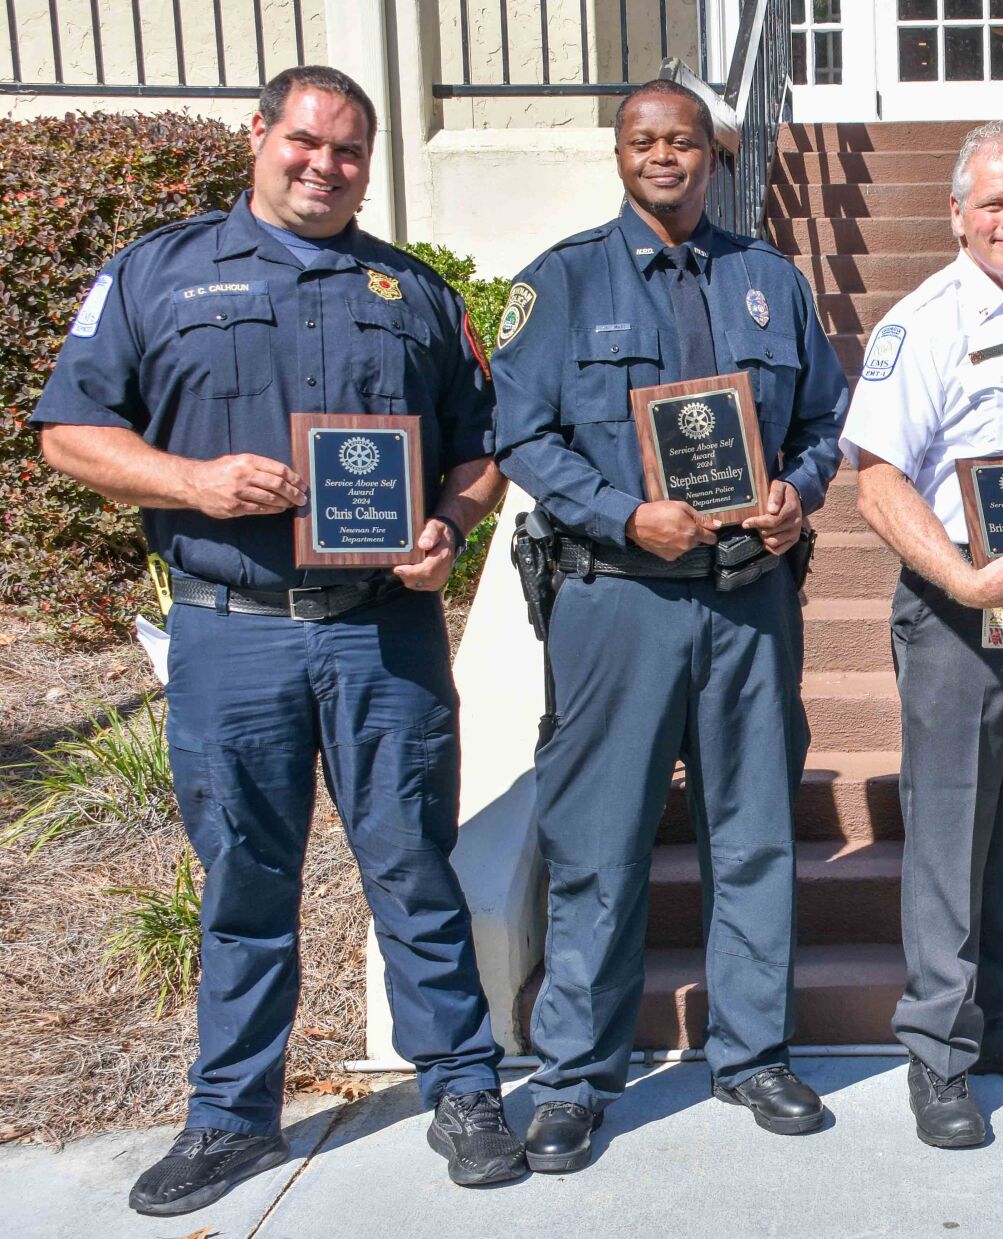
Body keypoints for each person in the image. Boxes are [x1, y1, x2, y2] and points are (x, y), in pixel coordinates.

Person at [32, 66, 522, 1215]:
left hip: (383, 638)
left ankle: (461, 1086)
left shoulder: (412, 292)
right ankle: (232, 1117)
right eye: (305, 141)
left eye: (348, 150)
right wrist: (191, 482)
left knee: (414, 867)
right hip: (233, 636)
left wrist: (451, 526)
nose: (325, 166)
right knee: (245, 881)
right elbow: (70, 433)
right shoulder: (157, 273)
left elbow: (481, 446)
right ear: (259, 135)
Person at [492, 78, 848, 1170]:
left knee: (755, 833)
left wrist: (797, 492)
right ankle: (574, 1078)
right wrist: (620, 513)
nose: (664, 157)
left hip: (748, 600)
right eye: (644, 140)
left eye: (683, 141)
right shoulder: (561, 282)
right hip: (619, 599)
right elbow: (522, 436)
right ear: (619, 155)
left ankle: (753, 1054)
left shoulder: (770, 282)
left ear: (713, 155)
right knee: (598, 842)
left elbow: (827, 420)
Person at [841, 120, 1003, 1150]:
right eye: (993, 202)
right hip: (959, 605)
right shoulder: (922, 323)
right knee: (950, 830)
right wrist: (961, 576)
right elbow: (876, 481)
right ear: (956, 214)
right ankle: (939, 1053)